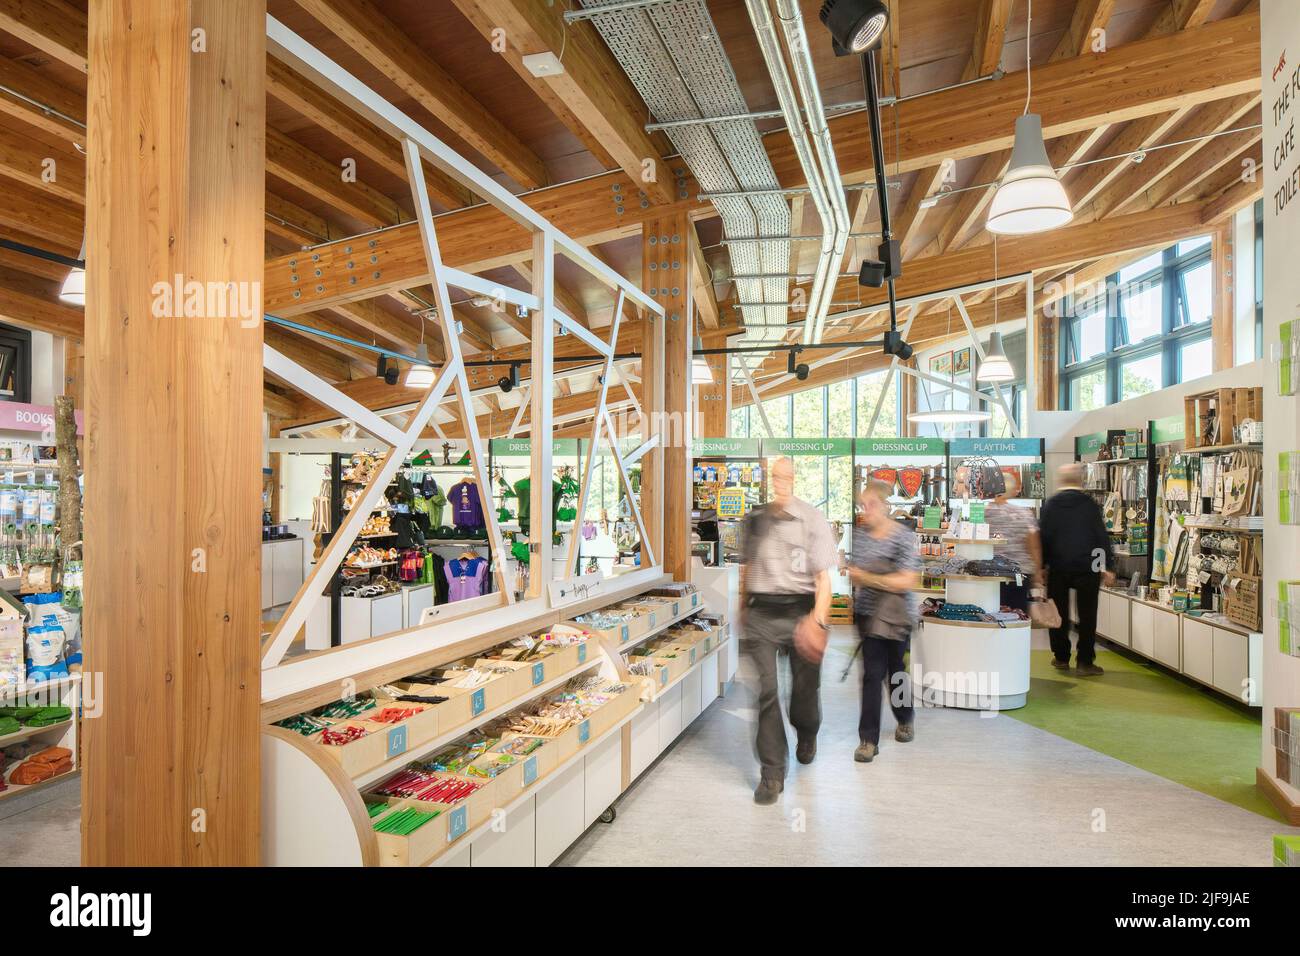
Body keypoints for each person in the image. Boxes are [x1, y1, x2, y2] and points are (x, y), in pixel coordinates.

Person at [739, 457, 837, 805]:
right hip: (762, 613)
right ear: (770, 479)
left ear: (794, 478)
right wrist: (742, 610)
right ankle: (772, 772)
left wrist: (818, 622)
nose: (780, 481)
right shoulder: (755, 520)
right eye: (775, 476)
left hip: (801, 611)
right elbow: (746, 568)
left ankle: (807, 730)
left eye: (786, 476)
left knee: (804, 694)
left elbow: (824, 578)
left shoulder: (812, 518)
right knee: (766, 691)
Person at [847, 480, 922, 763]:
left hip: (897, 616)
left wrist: (869, 578)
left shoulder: (903, 537)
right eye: (863, 505)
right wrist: (870, 579)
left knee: (896, 672)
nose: (866, 510)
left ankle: (905, 718)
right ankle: (868, 740)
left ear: (886, 505)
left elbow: (907, 580)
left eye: (872, 504)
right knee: (871, 675)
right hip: (867, 615)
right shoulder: (861, 535)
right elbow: (855, 573)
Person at [1038, 462, 1115, 676]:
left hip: (1058, 567)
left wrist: (1042, 566)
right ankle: (1085, 661)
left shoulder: (1050, 505)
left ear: (1060, 480)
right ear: (1080, 480)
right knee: (1087, 615)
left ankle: (1061, 657)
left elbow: (1043, 537)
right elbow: (1100, 536)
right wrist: (1105, 566)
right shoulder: (1089, 504)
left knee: (1057, 614)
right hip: (1087, 567)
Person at [984, 491, 1041, 612]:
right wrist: (1037, 571)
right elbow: (1033, 545)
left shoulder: (983, 512)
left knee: (992, 612)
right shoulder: (1024, 513)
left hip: (991, 572)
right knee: (1018, 614)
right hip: (1020, 573)